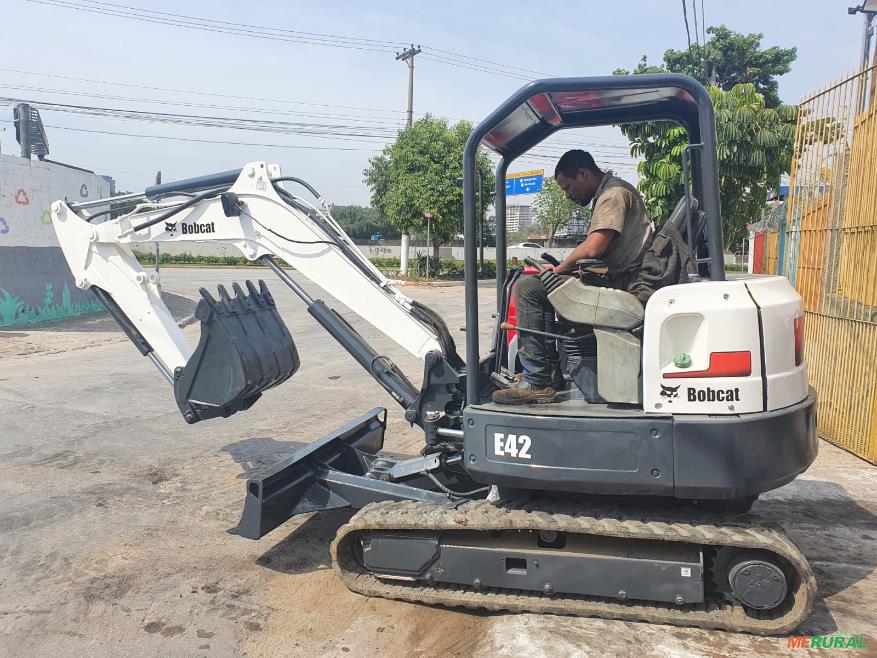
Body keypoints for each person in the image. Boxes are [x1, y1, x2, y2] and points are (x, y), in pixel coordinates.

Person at [492, 150, 653, 405]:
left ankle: (537, 380)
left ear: (583, 173)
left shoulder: (613, 195)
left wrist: (560, 270)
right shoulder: (611, 192)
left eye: (568, 188)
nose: (568, 196)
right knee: (538, 287)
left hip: (622, 284)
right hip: (619, 279)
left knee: (527, 288)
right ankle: (548, 375)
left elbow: (593, 248)